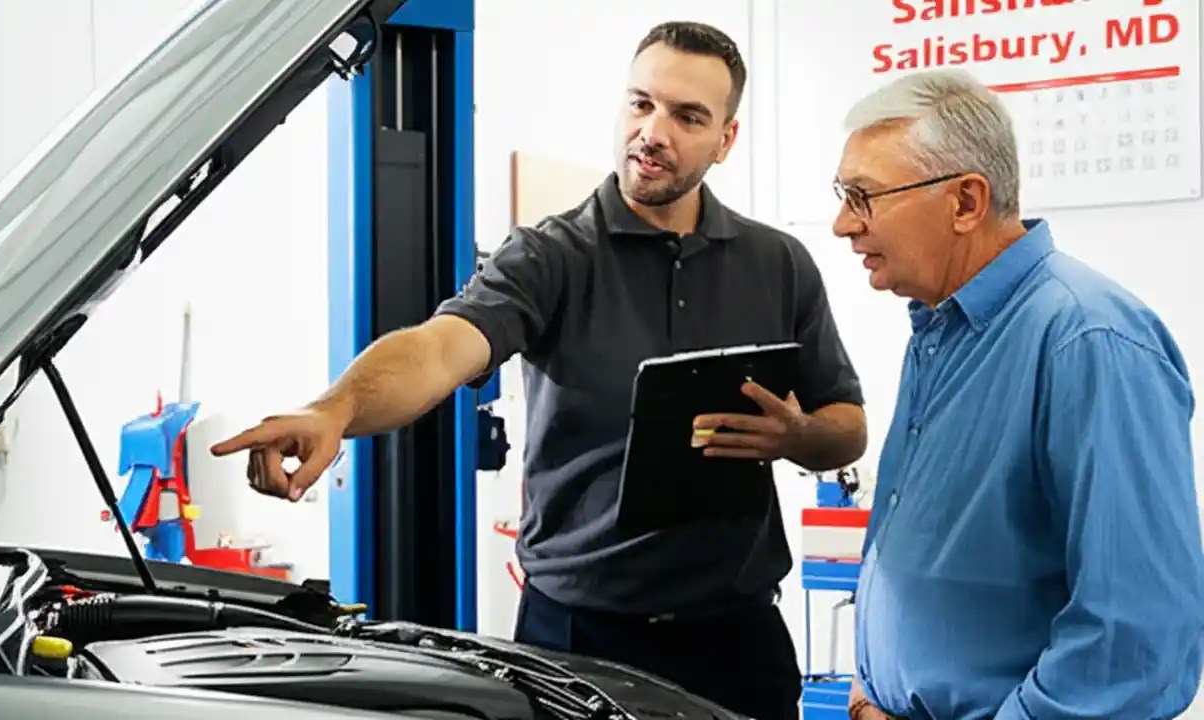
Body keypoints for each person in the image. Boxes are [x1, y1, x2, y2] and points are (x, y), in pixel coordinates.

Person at [212, 20, 866, 720]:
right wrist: (333, 410)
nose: (653, 131)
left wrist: (796, 435)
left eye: (687, 116)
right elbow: (438, 347)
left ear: (725, 139)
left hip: (738, 641)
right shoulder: (551, 257)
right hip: (579, 639)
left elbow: (846, 425)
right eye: (641, 103)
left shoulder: (778, 265)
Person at [831, 68, 1204, 720]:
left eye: (863, 196)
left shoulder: (1090, 340)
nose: (841, 224)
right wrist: (869, 684)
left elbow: (1134, 638)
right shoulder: (940, 330)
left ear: (967, 202)